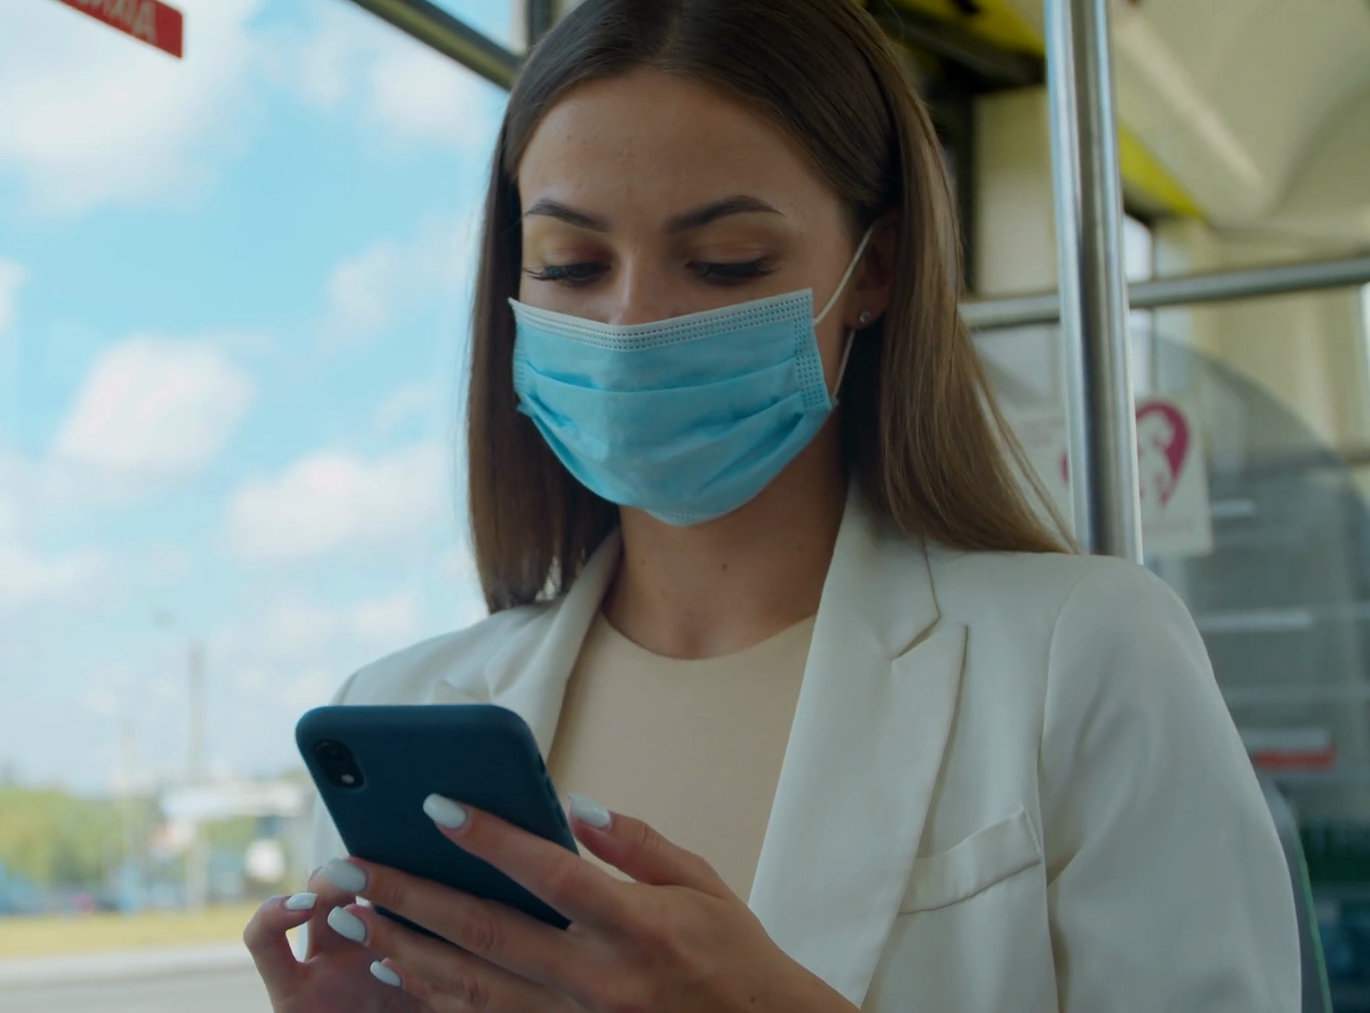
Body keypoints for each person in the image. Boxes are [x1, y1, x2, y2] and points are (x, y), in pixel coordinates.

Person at [244, 0, 1299, 1008]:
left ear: (874, 267)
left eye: (724, 262)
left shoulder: (1088, 654)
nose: (633, 320)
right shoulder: (414, 705)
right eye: (571, 263)